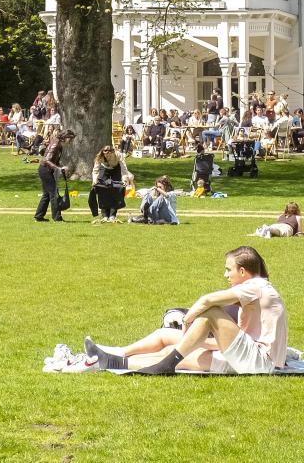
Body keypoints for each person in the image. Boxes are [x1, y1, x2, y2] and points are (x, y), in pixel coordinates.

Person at [83, 246, 287, 374]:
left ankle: (166, 365)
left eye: (228, 269)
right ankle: (113, 357)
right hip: (250, 355)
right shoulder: (256, 289)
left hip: (260, 363)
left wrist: (187, 319)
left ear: (242, 272)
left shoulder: (257, 287)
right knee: (166, 337)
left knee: (210, 314)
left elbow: (207, 300)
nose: (225, 274)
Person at [35, 129, 75, 222]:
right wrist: (58, 169)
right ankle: (57, 217)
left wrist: (61, 167)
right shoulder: (56, 144)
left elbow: (54, 161)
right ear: (66, 137)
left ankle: (39, 216)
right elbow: (46, 160)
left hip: (45, 170)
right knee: (53, 193)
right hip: (45, 170)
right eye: (71, 139)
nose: (71, 141)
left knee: (46, 194)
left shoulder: (59, 145)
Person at [89, 146, 133, 223]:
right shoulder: (99, 157)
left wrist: (124, 179)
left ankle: (112, 215)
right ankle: (105, 215)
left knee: (116, 190)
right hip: (104, 169)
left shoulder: (119, 155)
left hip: (116, 169)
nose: (108, 154)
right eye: (106, 152)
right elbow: (95, 170)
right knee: (102, 189)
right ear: (103, 152)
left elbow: (123, 168)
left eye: (110, 152)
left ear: (113, 151)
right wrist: (94, 180)